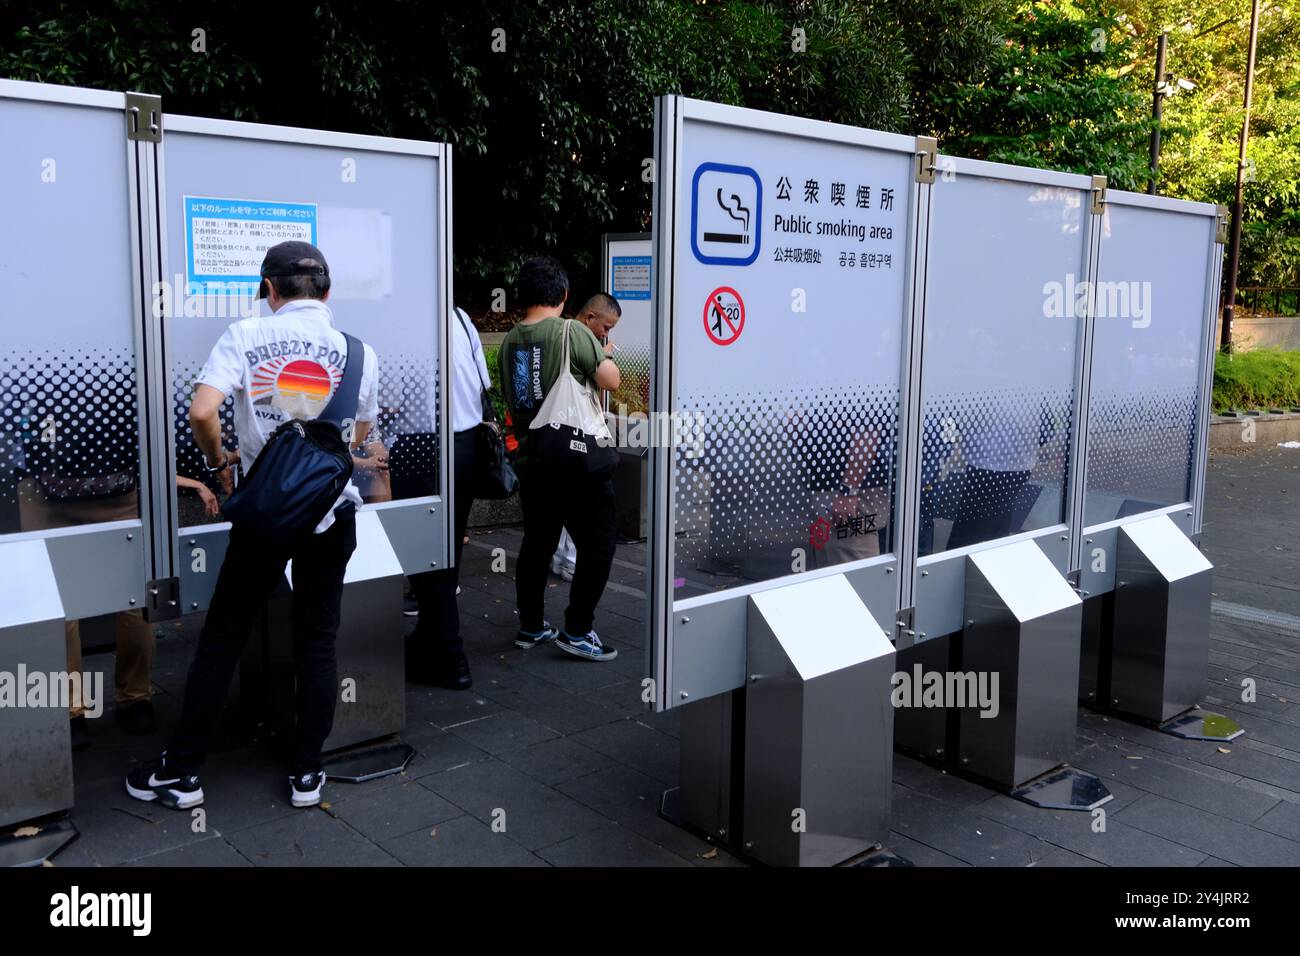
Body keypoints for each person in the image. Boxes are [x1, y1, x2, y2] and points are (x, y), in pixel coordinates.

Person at [124, 241, 379, 811]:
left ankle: (184, 773)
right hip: (331, 513)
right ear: (328, 292)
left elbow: (200, 411)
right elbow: (358, 436)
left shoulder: (244, 335)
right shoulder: (360, 352)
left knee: (222, 640)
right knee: (318, 640)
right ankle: (307, 774)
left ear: (269, 289)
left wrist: (222, 465)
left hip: (265, 514)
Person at [499, 256, 621, 661]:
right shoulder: (572, 331)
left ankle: (531, 626)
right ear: (564, 295)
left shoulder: (510, 341)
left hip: (534, 461)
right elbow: (611, 380)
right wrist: (604, 352)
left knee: (537, 544)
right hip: (575, 460)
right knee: (598, 543)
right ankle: (577, 629)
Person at [404, 305, 490, 690]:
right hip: (466, 444)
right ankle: (429, 639)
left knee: (424, 557)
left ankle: (451, 659)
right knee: (446, 552)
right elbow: (482, 383)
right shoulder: (459, 315)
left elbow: (385, 397)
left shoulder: (397, 319)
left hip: (421, 446)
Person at [550, 292, 622, 581]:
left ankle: (560, 558)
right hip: (576, 434)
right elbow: (611, 381)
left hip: (557, 433)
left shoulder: (560, 334)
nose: (605, 333)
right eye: (606, 327)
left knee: (560, 503)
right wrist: (605, 357)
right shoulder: (580, 335)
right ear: (590, 317)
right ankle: (569, 561)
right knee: (581, 502)